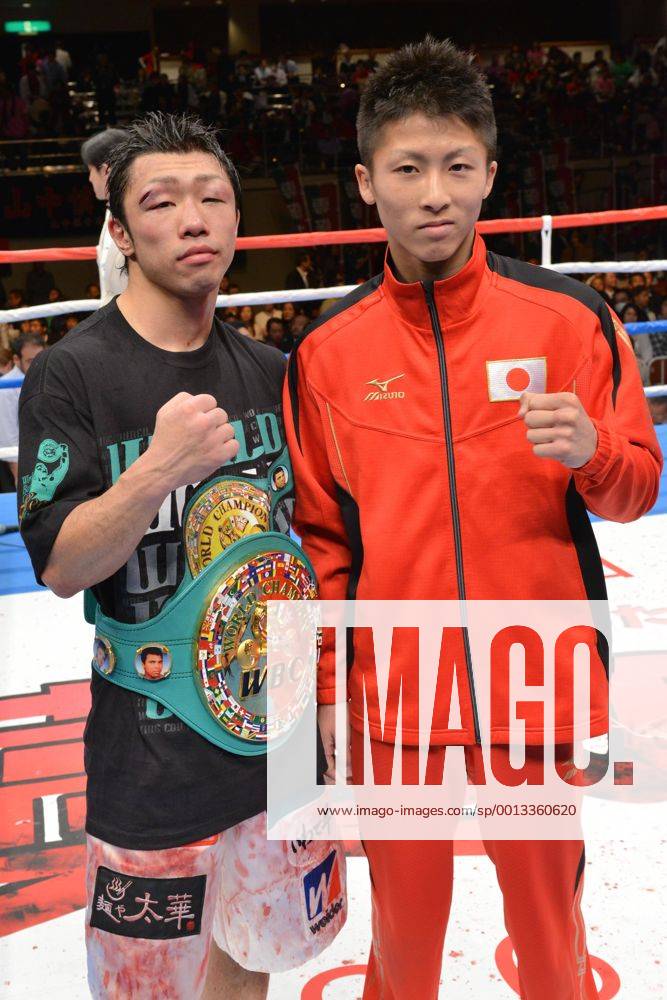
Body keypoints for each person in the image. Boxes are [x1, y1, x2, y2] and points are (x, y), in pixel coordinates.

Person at [284, 37, 662, 1000]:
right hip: (393, 696)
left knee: (549, 937)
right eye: (408, 169)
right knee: (402, 947)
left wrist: (594, 453)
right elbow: (321, 542)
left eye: (456, 166)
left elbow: (634, 492)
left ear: (490, 173)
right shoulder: (326, 353)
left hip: (532, 679)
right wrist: (328, 689)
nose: (435, 193)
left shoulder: (570, 321)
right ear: (366, 183)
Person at [18, 111, 344, 1000]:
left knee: (250, 962)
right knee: (149, 989)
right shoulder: (71, 375)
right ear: (120, 233)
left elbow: (300, 557)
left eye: (214, 198)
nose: (194, 220)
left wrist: (323, 695)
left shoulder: (273, 372)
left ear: (238, 220)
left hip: (274, 738)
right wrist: (157, 470)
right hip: (150, 755)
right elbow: (59, 566)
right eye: (162, 203)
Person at [81, 128, 129, 304]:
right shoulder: (112, 210)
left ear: (106, 171)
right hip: (116, 321)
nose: (90, 179)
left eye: (91, 170)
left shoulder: (135, 216)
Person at [0, 332, 44, 484]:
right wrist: (22, 486)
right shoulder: (7, 387)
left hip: (44, 456)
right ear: (16, 360)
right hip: (15, 467)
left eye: (41, 357)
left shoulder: (48, 374)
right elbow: (9, 441)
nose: (38, 364)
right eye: (31, 361)